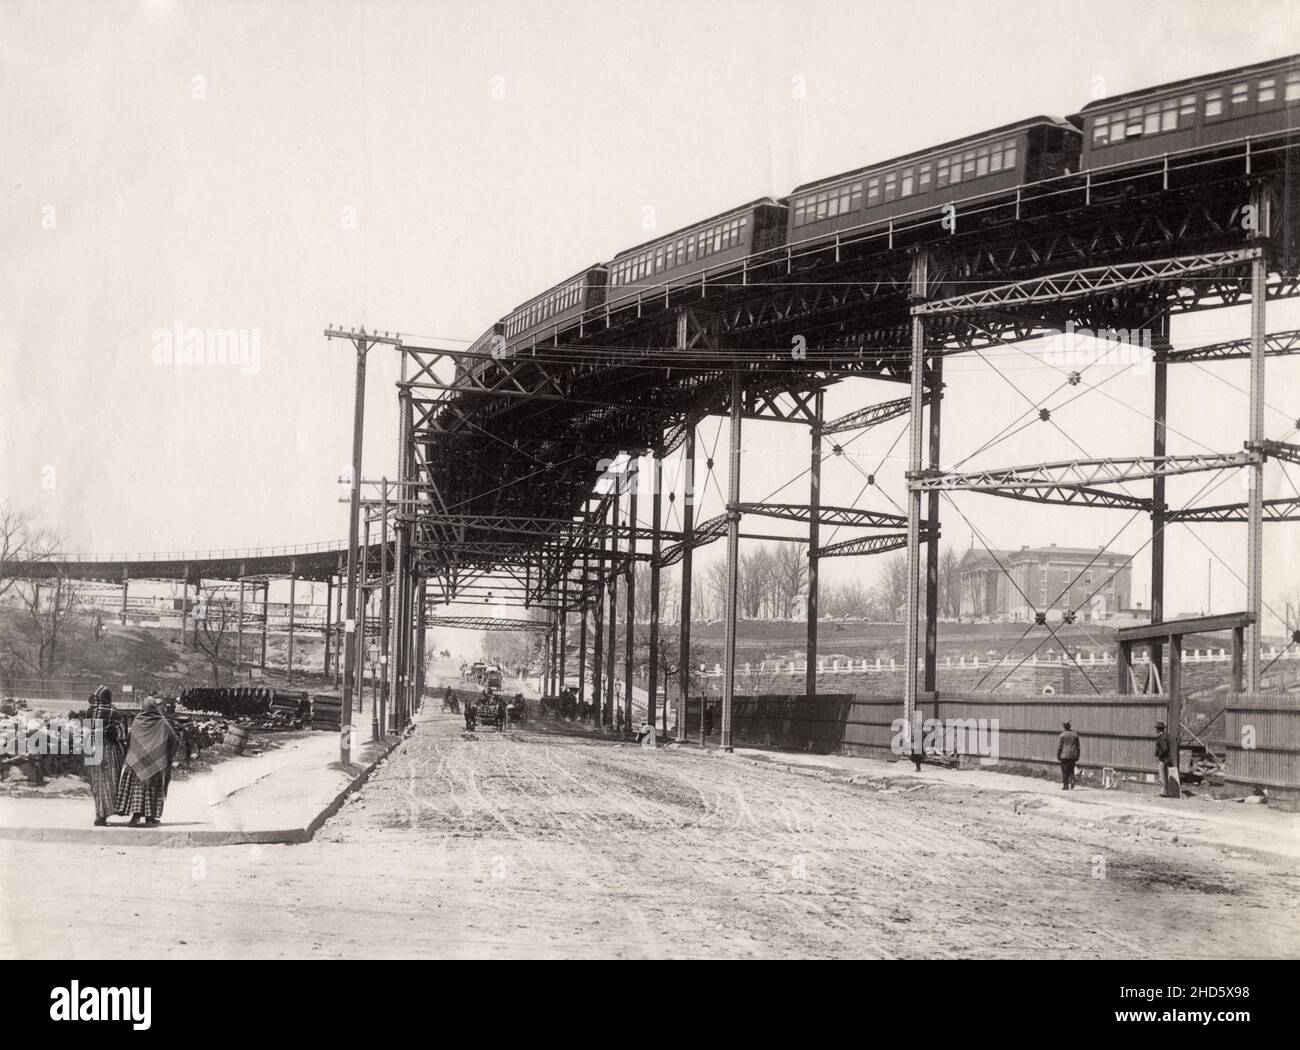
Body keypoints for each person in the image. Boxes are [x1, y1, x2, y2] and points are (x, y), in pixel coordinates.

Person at [114, 696, 180, 827]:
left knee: (137, 790)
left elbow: (130, 739)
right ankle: (149, 816)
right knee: (152, 789)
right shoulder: (162, 722)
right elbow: (175, 740)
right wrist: (165, 753)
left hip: (136, 762)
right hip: (154, 762)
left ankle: (138, 817)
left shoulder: (137, 721)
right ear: (155, 707)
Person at [86, 685, 126, 826]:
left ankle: (100, 815)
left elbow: (87, 732)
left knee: (97, 782)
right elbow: (121, 734)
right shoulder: (114, 712)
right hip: (110, 749)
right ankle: (110, 810)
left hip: (92, 748)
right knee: (111, 780)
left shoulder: (90, 711)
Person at [1056, 720, 1081, 790]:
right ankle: (1072, 779)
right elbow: (1078, 746)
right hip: (1073, 755)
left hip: (1064, 755)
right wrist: (1078, 755)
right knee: (1071, 769)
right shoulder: (1075, 735)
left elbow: (1060, 746)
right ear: (1070, 727)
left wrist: (1058, 755)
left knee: (1064, 771)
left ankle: (1065, 786)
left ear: (1064, 727)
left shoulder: (1062, 735)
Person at [1155, 720, 1174, 797]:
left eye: (1157, 728)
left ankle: (1164, 792)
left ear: (1159, 729)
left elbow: (1164, 748)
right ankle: (1166, 792)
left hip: (1163, 759)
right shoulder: (1166, 736)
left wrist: (1159, 754)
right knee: (1166, 775)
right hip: (1167, 759)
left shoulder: (1161, 737)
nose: (1156, 730)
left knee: (1162, 776)